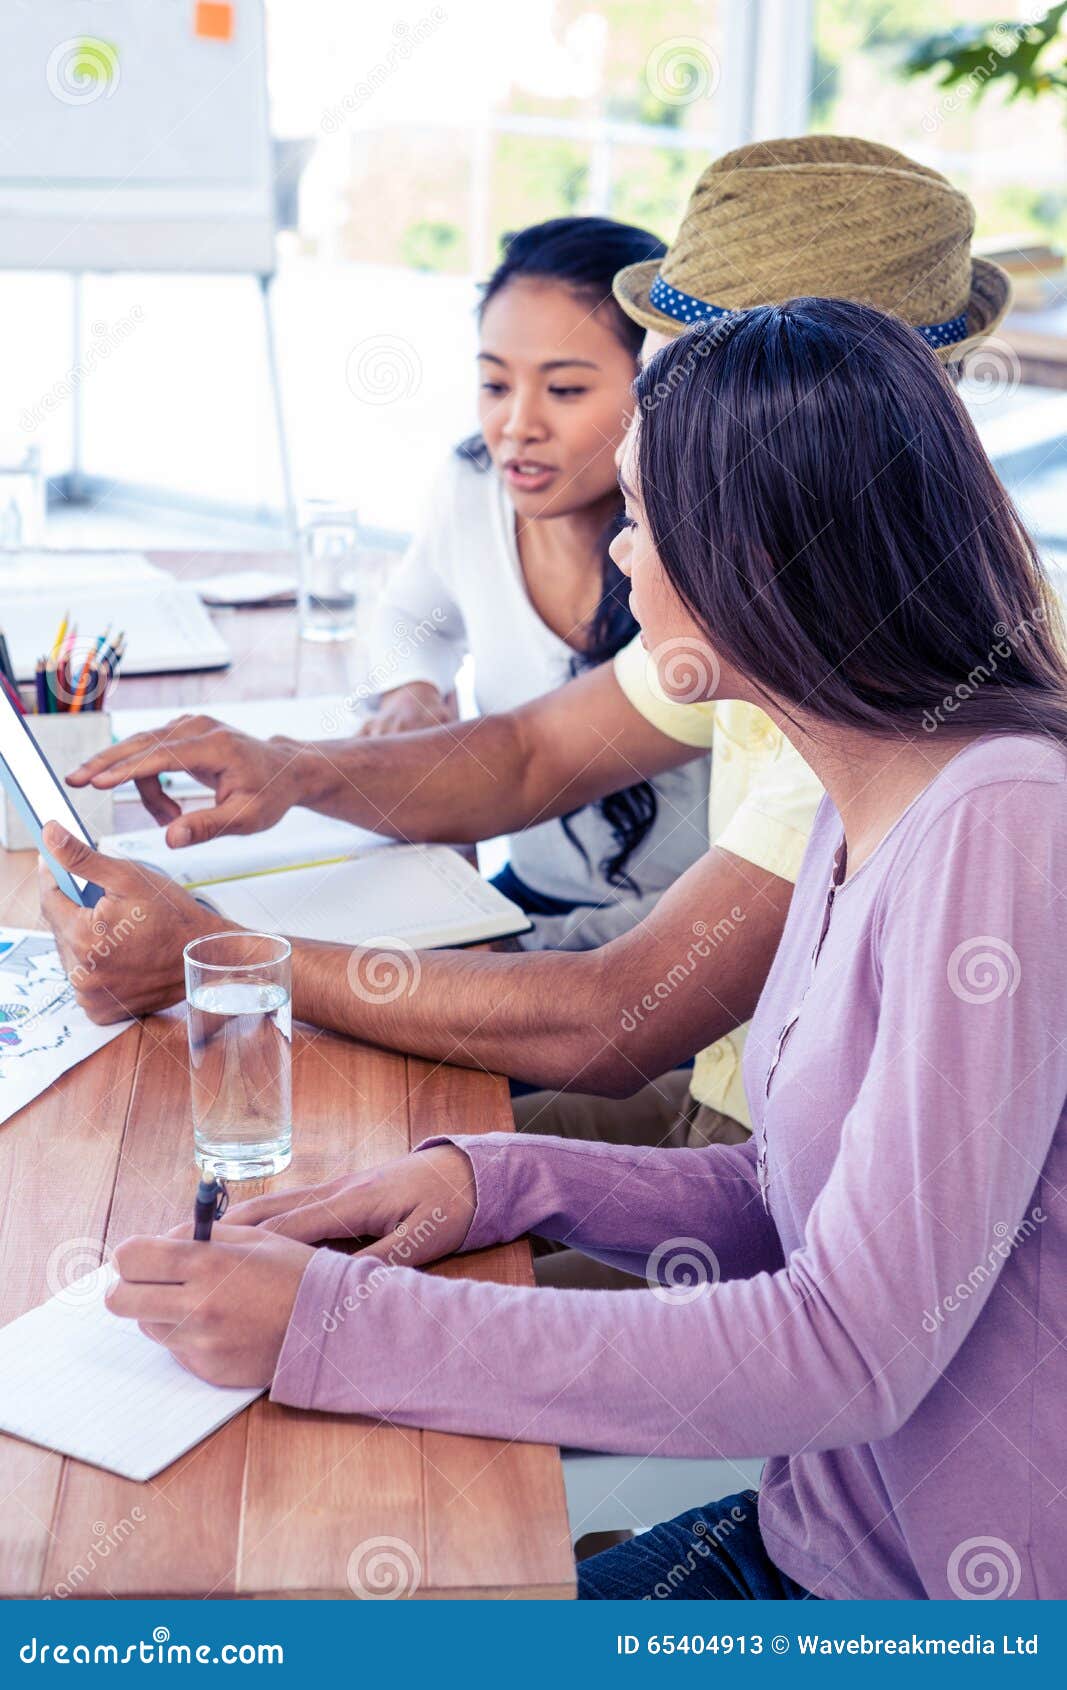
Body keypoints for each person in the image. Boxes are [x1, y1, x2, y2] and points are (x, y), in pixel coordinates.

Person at [98, 299, 1067, 1599]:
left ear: (754, 562)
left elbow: (843, 1347)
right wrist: (489, 1180)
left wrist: (337, 1324)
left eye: (639, 518)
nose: (620, 560)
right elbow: (786, 1210)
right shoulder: (868, 794)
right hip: (806, 1537)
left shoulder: (998, 824)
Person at [41, 138, 1011, 1194]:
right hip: (733, 1131)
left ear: (795, 415)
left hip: (751, 1157)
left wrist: (227, 952)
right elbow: (531, 754)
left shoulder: (912, 698)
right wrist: (292, 771)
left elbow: (618, 1018)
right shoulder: (791, 589)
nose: (632, 526)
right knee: (346, 1165)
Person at [358, 214, 711, 945]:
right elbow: (408, 617)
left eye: (565, 390)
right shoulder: (472, 486)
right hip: (524, 899)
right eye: (493, 383)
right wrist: (412, 692)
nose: (516, 425)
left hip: (672, 937)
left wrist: (509, 960)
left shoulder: (703, 549)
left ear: (657, 388)